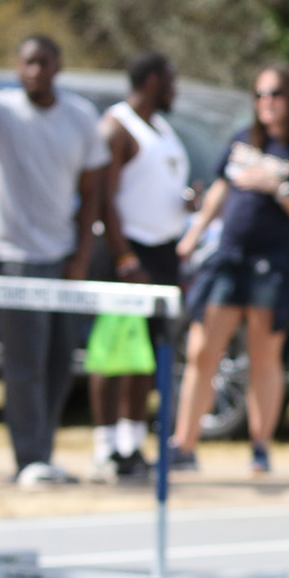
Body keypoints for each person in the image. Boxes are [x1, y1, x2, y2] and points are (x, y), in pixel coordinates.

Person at [171, 64, 289, 475]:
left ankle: (260, 446)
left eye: (274, 94)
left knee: (263, 355)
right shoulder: (244, 139)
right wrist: (194, 235)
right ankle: (183, 445)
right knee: (202, 350)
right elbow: (221, 186)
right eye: (259, 95)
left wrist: (278, 186)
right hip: (229, 257)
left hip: (273, 263)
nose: (266, 103)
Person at [0, 36, 107, 486]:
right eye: (27, 62)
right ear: (17, 66)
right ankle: (28, 457)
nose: (34, 70)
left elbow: (92, 191)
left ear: (57, 66)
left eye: (42, 62)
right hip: (15, 258)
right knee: (24, 363)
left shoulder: (80, 116)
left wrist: (82, 254)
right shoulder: (0, 112)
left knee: (57, 361)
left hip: (62, 257)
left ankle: (43, 454)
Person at [89, 51, 191, 483]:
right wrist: (124, 256)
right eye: (170, 81)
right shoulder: (117, 126)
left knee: (145, 356)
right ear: (151, 82)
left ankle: (132, 445)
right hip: (126, 253)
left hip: (162, 253)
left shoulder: (163, 129)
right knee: (113, 352)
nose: (174, 90)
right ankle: (104, 448)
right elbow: (103, 197)